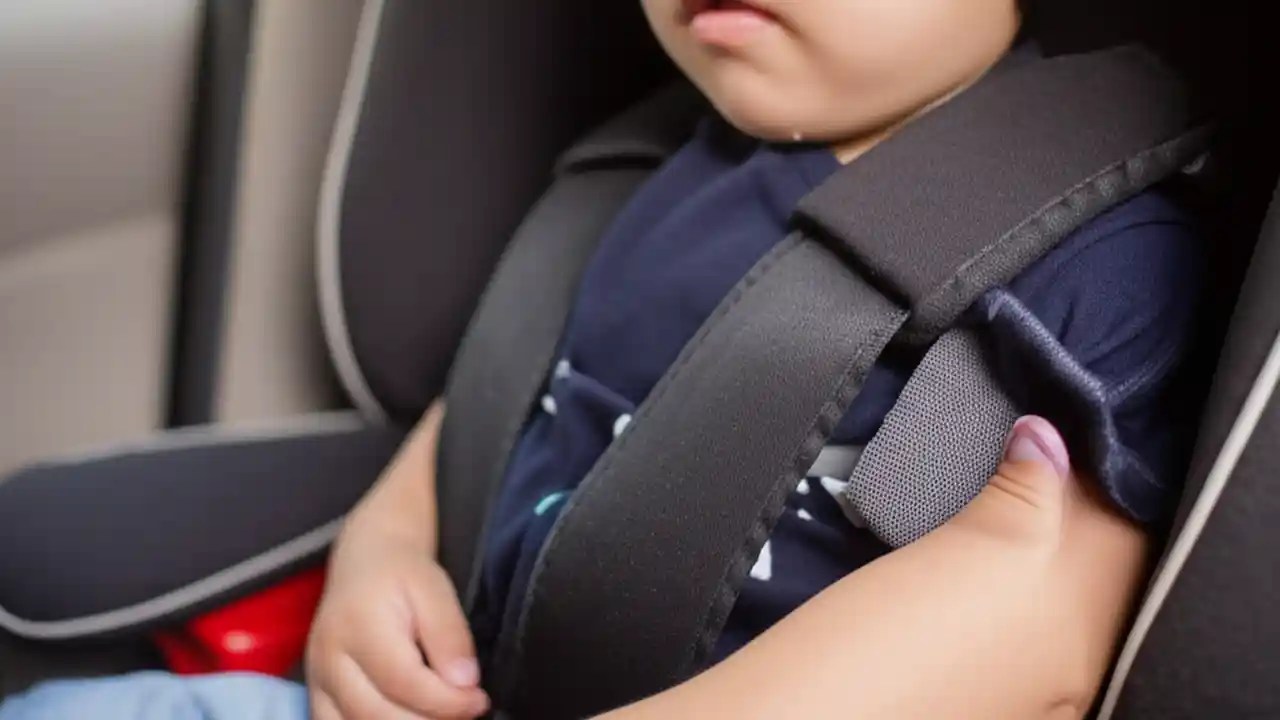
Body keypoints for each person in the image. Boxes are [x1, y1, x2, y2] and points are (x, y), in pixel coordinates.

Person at [0, 0, 1204, 717]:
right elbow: (494, 402)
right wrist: (381, 555)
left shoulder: (1083, 246)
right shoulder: (635, 176)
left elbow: (1036, 621)